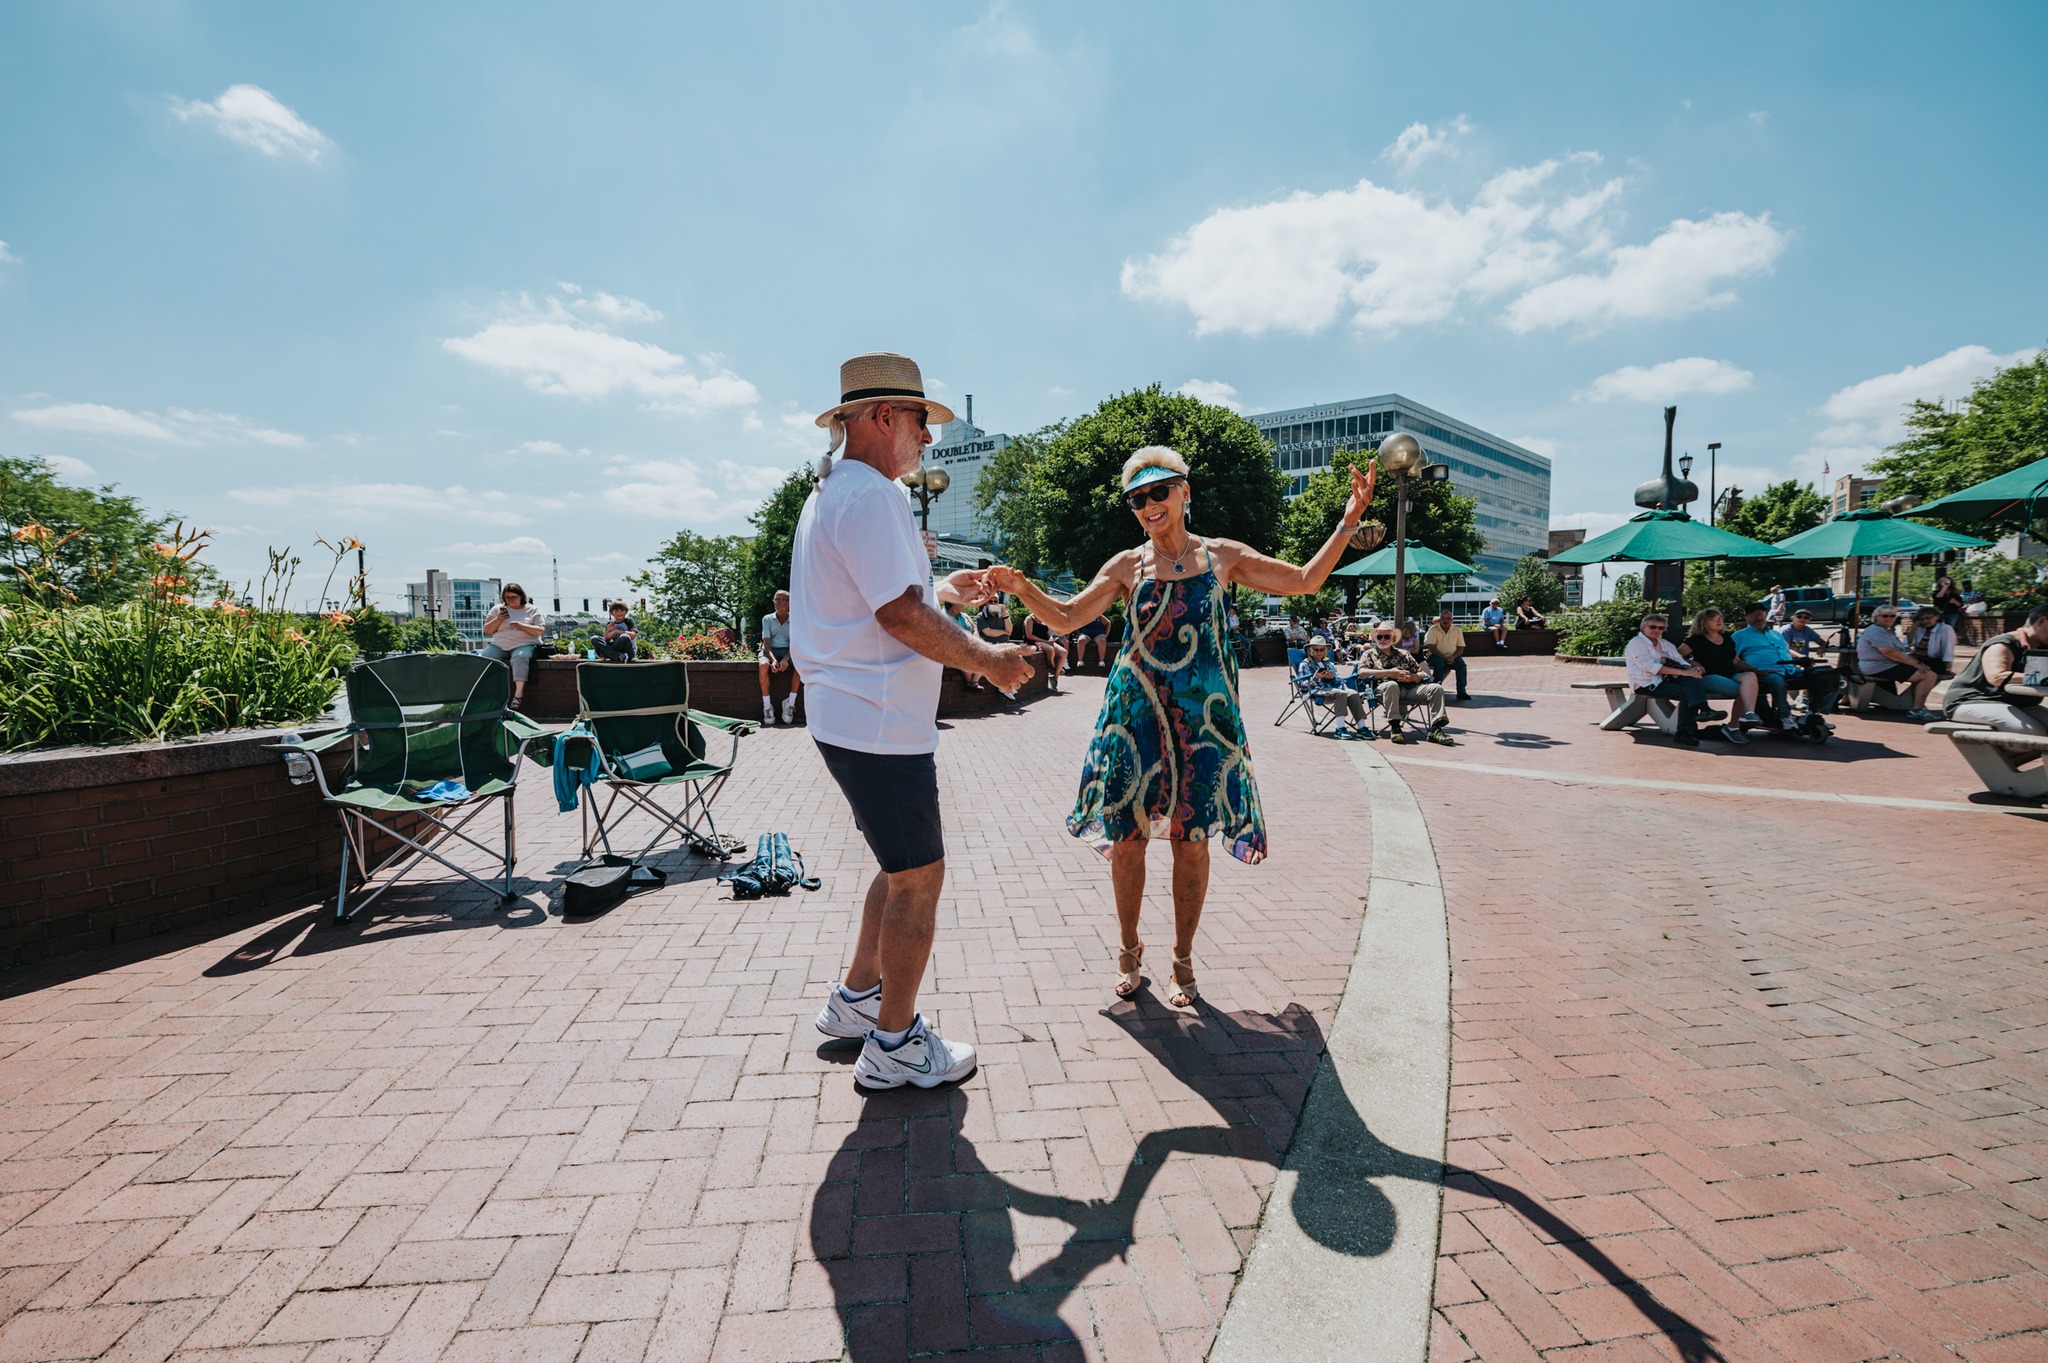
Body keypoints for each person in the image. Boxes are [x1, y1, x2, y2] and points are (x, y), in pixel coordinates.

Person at [988, 445, 1377, 1009]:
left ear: (1184, 493)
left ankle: (1182, 961)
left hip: (1203, 725)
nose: (1148, 504)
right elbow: (1070, 617)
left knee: (1191, 844)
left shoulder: (1223, 556)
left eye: (1159, 492)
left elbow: (1305, 581)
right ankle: (1127, 950)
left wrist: (1348, 520)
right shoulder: (1126, 566)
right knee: (1127, 842)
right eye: (1137, 498)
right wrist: (1023, 589)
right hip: (1134, 719)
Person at [796, 353, 1033, 1092]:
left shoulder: (837, 493)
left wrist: (943, 590)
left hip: (852, 716)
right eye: (922, 422)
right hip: (876, 723)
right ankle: (894, 1045)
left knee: (900, 869)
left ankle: (858, 1000)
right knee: (918, 878)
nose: (928, 438)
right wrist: (988, 660)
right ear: (881, 418)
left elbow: (890, 596)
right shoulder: (873, 497)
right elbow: (897, 614)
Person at [1941, 604, 2048, 736]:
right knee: (2033, 733)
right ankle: (1986, 755)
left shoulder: (2043, 646)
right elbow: (1997, 677)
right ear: (2042, 621)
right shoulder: (2003, 643)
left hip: (2019, 703)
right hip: (1974, 700)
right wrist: (2043, 677)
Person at [1734, 601, 1840, 728]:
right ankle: (1785, 716)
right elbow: (1735, 660)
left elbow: (1785, 650)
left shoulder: (1775, 634)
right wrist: (1755, 671)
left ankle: (1812, 714)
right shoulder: (1739, 636)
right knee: (1776, 680)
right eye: (1754, 615)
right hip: (1763, 672)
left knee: (1828, 675)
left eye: (1761, 614)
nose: (1759, 617)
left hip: (1790, 669)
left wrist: (1802, 658)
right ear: (1746, 618)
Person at [1356, 620, 1452, 745]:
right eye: (1379, 636)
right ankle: (1395, 727)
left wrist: (1412, 677)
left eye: (1386, 636)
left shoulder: (1404, 654)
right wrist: (1389, 673)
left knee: (1436, 688)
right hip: (1384, 689)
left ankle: (1435, 729)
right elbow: (1361, 673)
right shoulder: (1369, 654)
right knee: (1391, 685)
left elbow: (1422, 673)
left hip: (1410, 688)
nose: (1382, 639)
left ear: (1393, 638)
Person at [1624, 614, 1708, 747]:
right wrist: (1683, 672)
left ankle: (1704, 711)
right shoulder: (1636, 644)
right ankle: (1685, 732)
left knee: (1692, 680)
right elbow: (1650, 667)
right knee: (1687, 693)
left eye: (1661, 628)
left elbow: (1680, 660)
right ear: (1643, 627)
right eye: (1653, 626)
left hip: (1666, 680)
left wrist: (1691, 669)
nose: (1656, 630)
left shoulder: (1666, 644)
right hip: (1647, 683)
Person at [1680, 608, 1759, 744]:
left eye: (1720, 618)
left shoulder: (1728, 638)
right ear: (1703, 622)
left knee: (1750, 676)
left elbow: (1737, 661)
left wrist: (1759, 671)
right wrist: (1693, 662)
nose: (1719, 621)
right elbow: (1675, 657)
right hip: (1709, 676)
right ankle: (1733, 728)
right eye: (1713, 618)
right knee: (1742, 691)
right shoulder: (1695, 640)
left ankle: (1749, 714)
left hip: (1730, 674)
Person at [1856, 605, 1940, 721]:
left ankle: (1915, 705)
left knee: (1926, 671)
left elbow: (1900, 650)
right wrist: (1915, 664)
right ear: (1876, 618)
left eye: (1892, 616)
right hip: (1879, 667)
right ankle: (1917, 710)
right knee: (1928, 676)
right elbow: (1889, 652)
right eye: (1885, 616)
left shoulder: (1887, 631)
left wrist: (1914, 661)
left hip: (1887, 665)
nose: (1889, 618)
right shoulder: (1875, 630)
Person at [479, 583, 545, 708]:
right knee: (484, 658)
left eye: (513, 597)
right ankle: (487, 693)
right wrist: (498, 619)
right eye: (507, 597)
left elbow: (540, 630)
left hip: (524, 644)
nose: (510, 600)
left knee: (520, 657)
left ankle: (518, 695)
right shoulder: (497, 609)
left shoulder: (532, 609)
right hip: (500, 645)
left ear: (521, 596)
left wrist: (522, 626)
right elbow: (487, 631)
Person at [1295, 635, 1371, 737]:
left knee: (1353, 693)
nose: (1319, 652)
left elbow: (1339, 681)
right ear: (1310, 650)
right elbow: (1302, 685)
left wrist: (1331, 678)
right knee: (1341, 693)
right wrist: (1315, 678)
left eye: (1322, 650)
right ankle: (1340, 728)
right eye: (1316, 649)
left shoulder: (1329, 664)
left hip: (1332, 690)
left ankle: (1362, 727)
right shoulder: (1305, 664)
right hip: (1316, 692)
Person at [758, 589, 801, 724]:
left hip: (790, 651)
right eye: (776, 599)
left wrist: (786, 659)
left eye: (781, 599)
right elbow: (766, 643)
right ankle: (767, 707)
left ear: (789, 603)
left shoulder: (796, 619)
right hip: (770, 651)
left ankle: (790, 704)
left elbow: (797, 643)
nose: (777, 602)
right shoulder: (767, 619)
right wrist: (774, 660)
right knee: (763, 665)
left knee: (801, 665)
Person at [1422, 607, 1470, 701]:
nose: (1445, 620)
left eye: (1448, 618)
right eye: (1443, 618)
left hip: (1453, 656)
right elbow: (1431, 646)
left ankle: (1461, 692)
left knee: (1461, 665)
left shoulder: (1457, 630)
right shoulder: (1433, 629)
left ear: (1452, 620)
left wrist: (1454, 657)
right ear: (1440, 619)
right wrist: (1444, 658)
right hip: (1434, 656)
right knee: (1440, 664)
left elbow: (1460, 647)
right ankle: (1435, 690)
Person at [1022, 611, 1067, 692]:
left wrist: (1050, 639)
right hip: (1034, 642)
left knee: (1064, 652)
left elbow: (1049, 634)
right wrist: (1046, 641)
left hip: (1046, 641)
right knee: (1050, 650)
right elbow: (1029, 636)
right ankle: (1053, 668)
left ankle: (1054, 678)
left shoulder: (1045, 618)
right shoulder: (1029, 619)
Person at [1907, 606, 1957, 678]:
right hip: (1917, 660)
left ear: (1937, 617)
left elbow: (1947, 650)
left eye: (1928, 618)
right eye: (1922, 619)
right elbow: (1909, 642)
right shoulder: (1920, 629)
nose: (1925, 621)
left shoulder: (1945, 629)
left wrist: (1948, 669)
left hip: (1934, 661)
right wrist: (1914, 627)